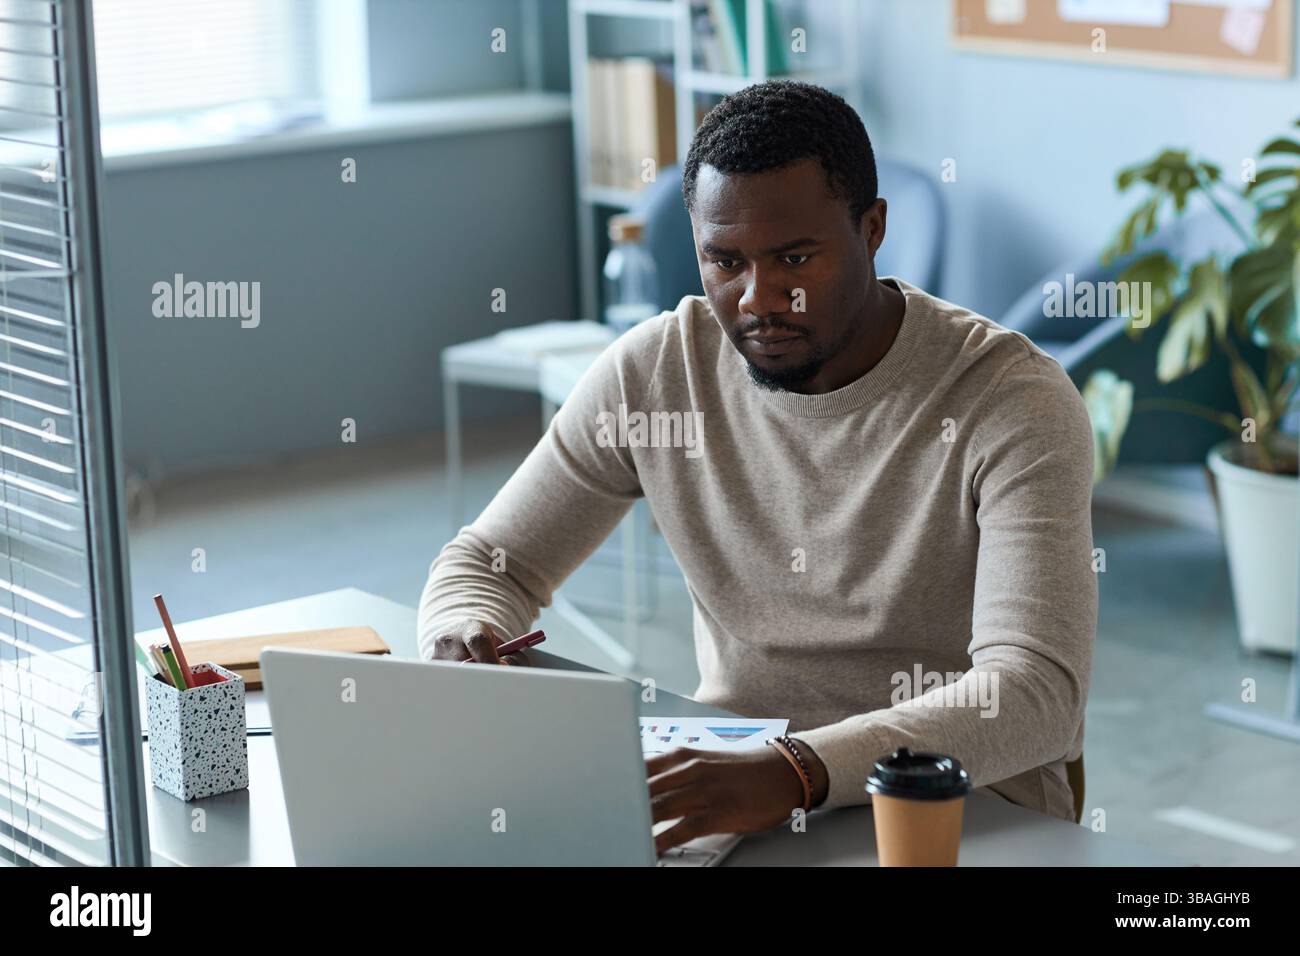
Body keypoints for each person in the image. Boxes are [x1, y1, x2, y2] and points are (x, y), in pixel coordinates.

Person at [420, 80, 1096, 853]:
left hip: (957, 810)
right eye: (725, 261)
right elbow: (488, 563)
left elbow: (1035, 694)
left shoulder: (1010, 400)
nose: (759, 299)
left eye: (795, 258)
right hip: (733, 801)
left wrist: (799, 770)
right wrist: (460, 630)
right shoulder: (656, 374)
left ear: (873, 230)